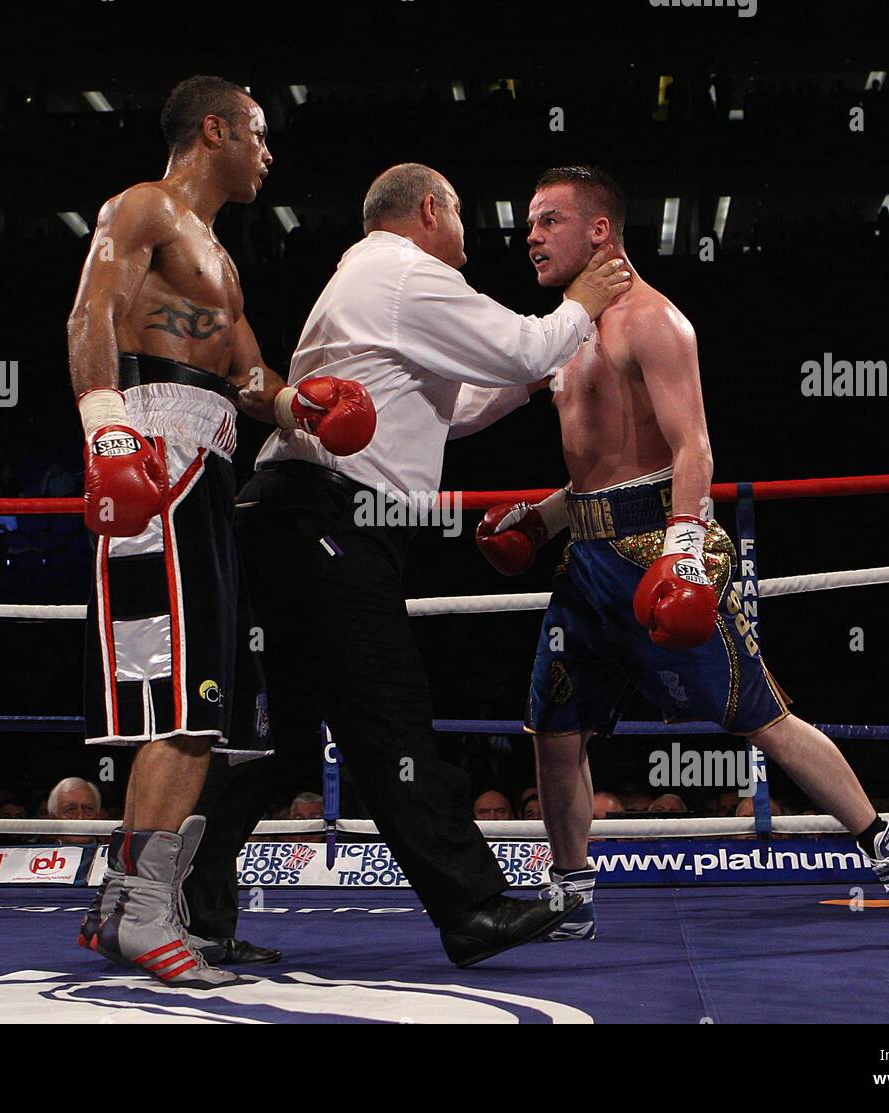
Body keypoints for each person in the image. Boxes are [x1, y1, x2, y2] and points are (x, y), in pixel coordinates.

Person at [476, 165, 889, 949]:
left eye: (549, 219)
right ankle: (573, 893)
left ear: (600, 231)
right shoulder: (565, 329)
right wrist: (544, 518)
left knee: (763, 718)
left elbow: (693, 445)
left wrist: (686, 549)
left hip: (655, 545)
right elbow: (596, 469)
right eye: (529, 222)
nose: (531, 235)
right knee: (554, 728)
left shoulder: (654, 320)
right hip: (584, 558)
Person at [228, 162, 630, 968]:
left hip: (298, 515)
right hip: (327, 521)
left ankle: (182, 905)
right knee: (392, 714)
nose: (471, 250)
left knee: (276, 737)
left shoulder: (369, 278)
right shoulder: (408, 271)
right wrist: (585, 303)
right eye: (460, 222)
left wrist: (528, 386)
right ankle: (473, 906)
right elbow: (522, 344)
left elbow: (438, 415)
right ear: (429, 210)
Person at [64, 74, 375, 988]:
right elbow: (89, 314)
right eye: (260, 135)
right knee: (182, 707)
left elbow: (248, 376)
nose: (269, 154)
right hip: (154, 447)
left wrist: (302, 406)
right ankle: (144, 913)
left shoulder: (223, 262)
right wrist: (102, 419)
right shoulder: (144, 207)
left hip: (214, 461)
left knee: (210, 708)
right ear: (216, 131)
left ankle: (126, 905)